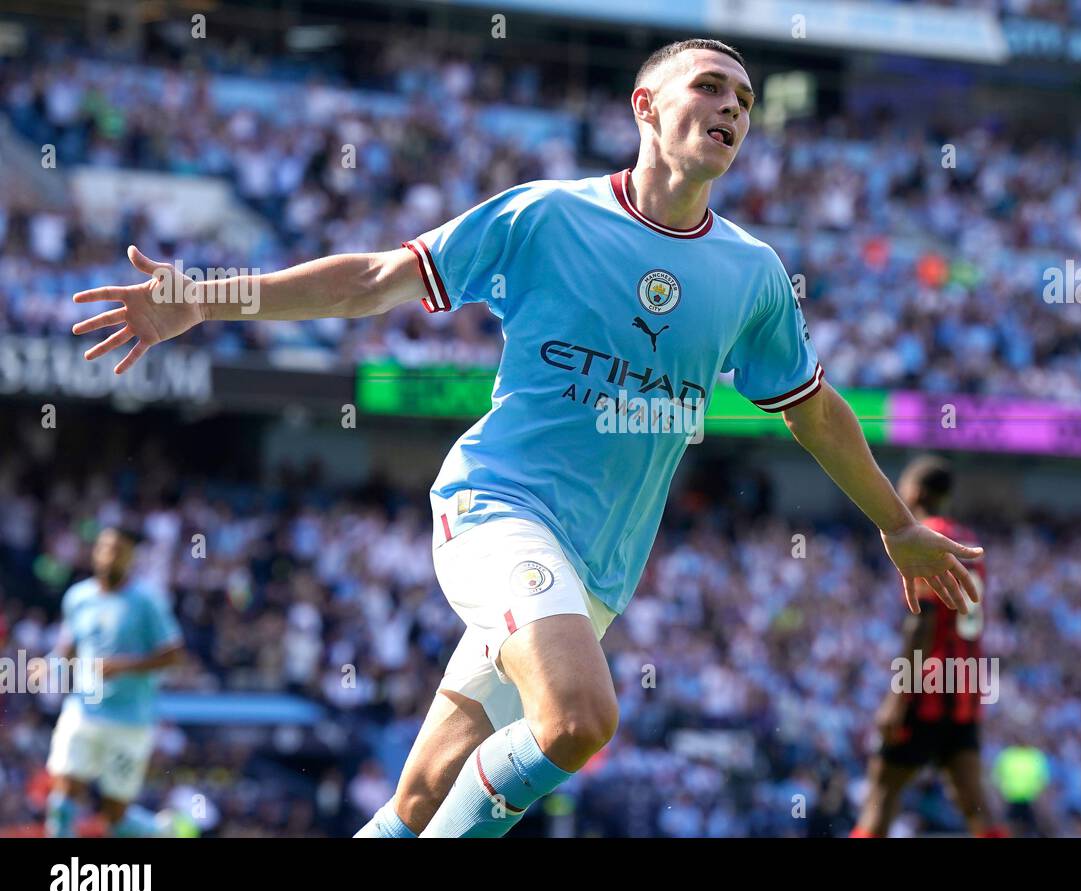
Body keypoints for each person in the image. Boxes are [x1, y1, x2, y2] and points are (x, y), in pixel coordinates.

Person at [72, 39, 982, 838]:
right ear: (646, 106)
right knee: (579, 720)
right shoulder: (547, 214)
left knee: (422, 796)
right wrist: (208, 296)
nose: (732, 109)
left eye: (744, 101)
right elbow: (375, 280)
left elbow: (812, 408)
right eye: (710, 87)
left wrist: (894, 522)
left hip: (598, 572)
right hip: (495, 508)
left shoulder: (752, 274)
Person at [852, 456, 1003, 837]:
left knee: (882, 796)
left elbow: (923, 621)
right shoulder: (969, 546)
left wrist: (896, 700)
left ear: (914, 493)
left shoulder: (923, 540)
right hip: (964, 690)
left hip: (926, 691)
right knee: (975, 803)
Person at [44, 526, 187, 837]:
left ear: (130, 558)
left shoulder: (147, 601)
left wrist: (124, 666)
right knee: (63, 796)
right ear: (96, 552)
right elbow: (68, 647)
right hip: (83, 710)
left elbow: (174, 654)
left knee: (115, 817)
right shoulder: (78, 597)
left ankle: (164, 833)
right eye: (106, 547)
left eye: (120, 550)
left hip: (130, 720)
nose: (111, 555)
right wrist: (49, 665)